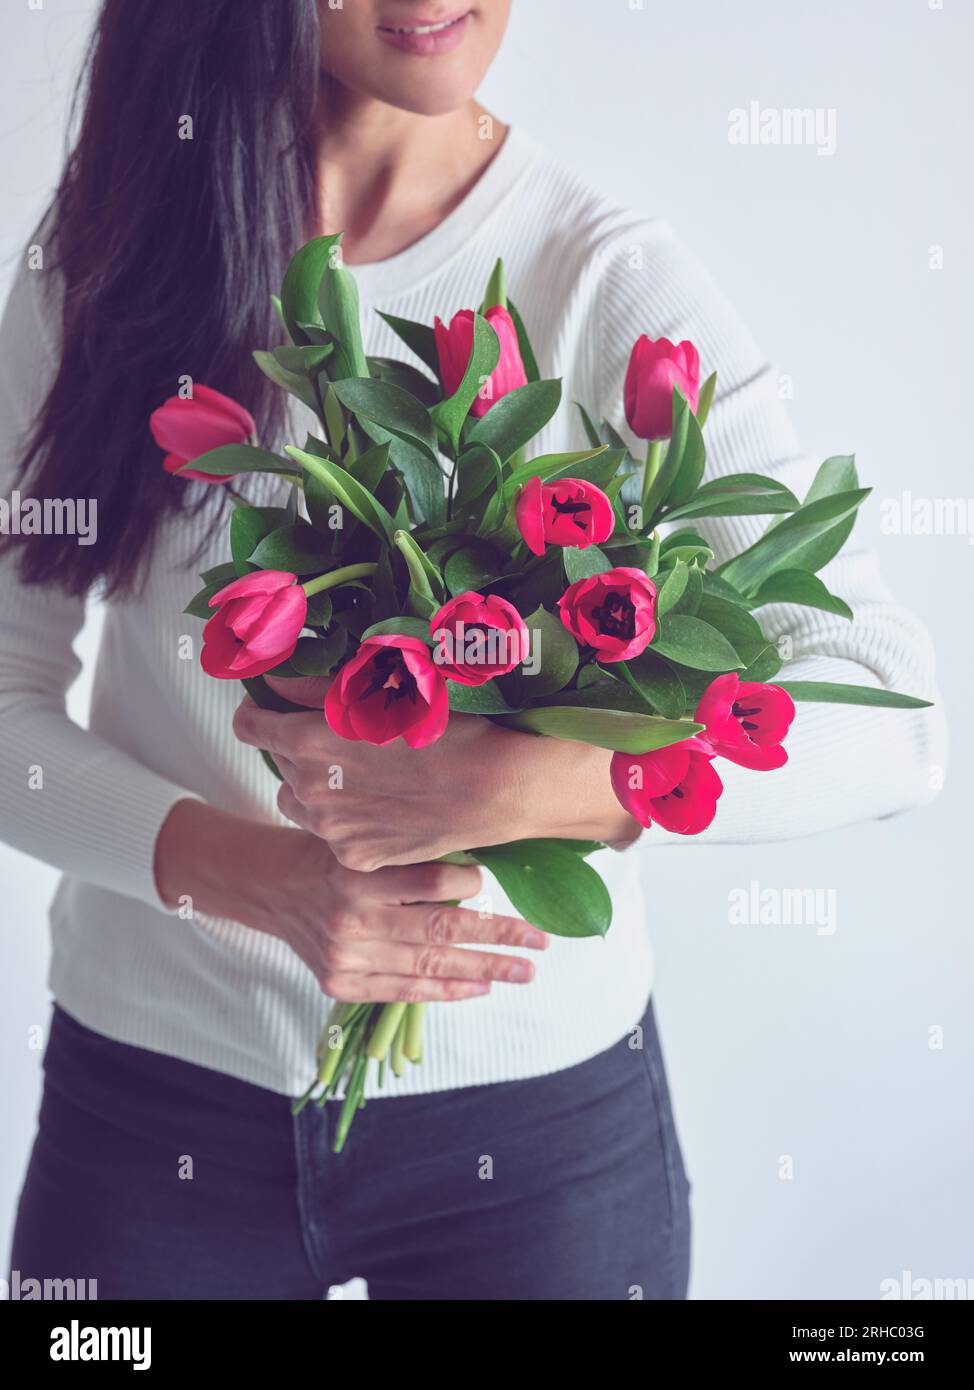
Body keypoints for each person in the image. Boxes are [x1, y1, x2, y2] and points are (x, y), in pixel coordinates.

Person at [1, 1, 942, 1300]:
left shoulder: (599, 275)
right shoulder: (102, 264)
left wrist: (540, 786)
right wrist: (246, 876)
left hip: (538, 1142)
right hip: (149, 1104)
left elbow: (892, 718)